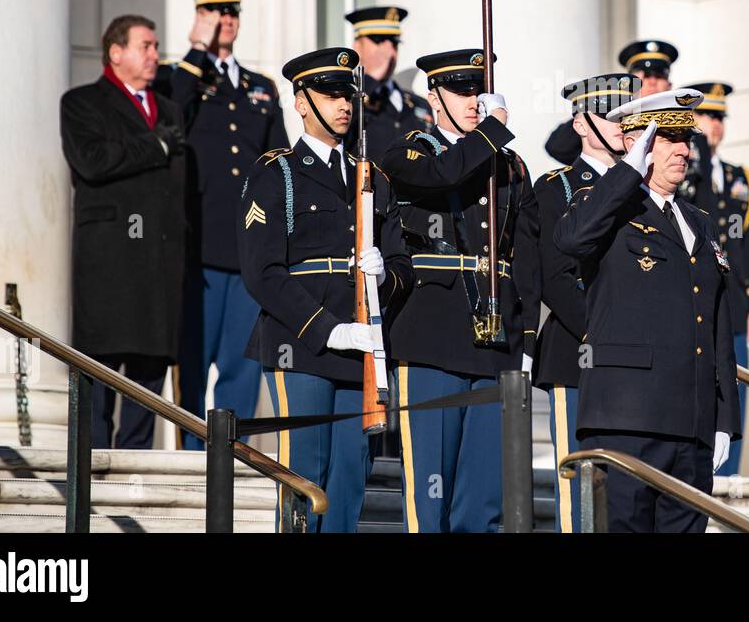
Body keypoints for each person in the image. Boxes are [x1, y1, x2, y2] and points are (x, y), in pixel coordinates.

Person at [237, 47, 412, 532]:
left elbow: (400, 261)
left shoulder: (370, 176)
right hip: (303, 343)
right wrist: (328, 330)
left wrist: (382, 277)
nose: (343, 105)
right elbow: (262, 272)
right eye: (329, 94)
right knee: (303, 479)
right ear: (300, 102)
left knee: (351, 481)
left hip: (361, 346)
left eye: (347, 95)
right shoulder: (276, 174)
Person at [555, 88, 739, 533]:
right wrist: (624, 173)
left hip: (691, 422)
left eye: (687, 140)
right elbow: (571, 238)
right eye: (669, 138)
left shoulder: (698, 220)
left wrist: (724, 417)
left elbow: (715, 320)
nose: (683, 150)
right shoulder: (607, 205)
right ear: (640, 145)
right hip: (627, 419)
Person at [380, 48, 534, 532]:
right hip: (432, 339)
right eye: (462, 90)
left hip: (494, 344)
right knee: (431, 496)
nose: (474, 100)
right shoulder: (408, 150)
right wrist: (492, 133)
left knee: (485, 497)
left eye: (479, 90)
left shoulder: (511, 165)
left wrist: (527, 337)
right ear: (433, 96)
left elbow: (525, 257)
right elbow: (442, 174)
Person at [160, 0, 287, 451]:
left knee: (241, 366)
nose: (226, 21)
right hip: (197, 247)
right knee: (193, 363)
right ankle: (194, 464)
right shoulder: (179, 77)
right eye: (215, 12)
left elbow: (278, 165)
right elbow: (170, 114)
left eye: (232, 12)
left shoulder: (261, 87)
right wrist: (196, 51)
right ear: (198, 18)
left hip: (247, 249)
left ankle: (228, 459)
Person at [60, 15, 187, 449]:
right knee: (100, 366)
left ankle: (137, 468)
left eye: (155, 46)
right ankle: (92, 470)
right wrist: (157, 145)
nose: (155, 55)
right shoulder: (81, 103)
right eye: (145, 46)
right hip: (109, 261)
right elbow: (93, 161)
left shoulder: (169, 110)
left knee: (149, 368)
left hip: (159, 260)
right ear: (116, 53)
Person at [515, 72, 633, 532]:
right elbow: (556, 275)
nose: (622, 125)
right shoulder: (555, 188)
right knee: (581, 485)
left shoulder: (642, 186)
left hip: (637, 361)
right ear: (582, 125)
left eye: (626, 114)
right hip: (579, 352)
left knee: (629, 485)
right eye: (610, 116)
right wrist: (608, 330)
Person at [680, 81, 749, 476]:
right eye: (708, 116)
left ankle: (729, 475)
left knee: (734, 388)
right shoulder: (683, 172)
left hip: (733, 298)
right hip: (695, 295)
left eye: (720, 117)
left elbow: (748, 243)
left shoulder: (739, 176)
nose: (715, 124)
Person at [544, 39, 678, 165]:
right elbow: (558, 147)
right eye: (646, 76)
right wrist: (630, 102)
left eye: (660, 76)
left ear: (669, 84)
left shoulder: (681, 122)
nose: (653, 82)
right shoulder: (617, 118)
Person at [344, 5, 434, 162]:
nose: (389, 51)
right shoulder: (343, 98)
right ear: (357, 46)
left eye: (394, 43)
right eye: (379, 41)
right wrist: (369, 80)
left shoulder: (418, 104)